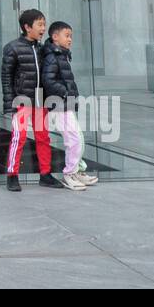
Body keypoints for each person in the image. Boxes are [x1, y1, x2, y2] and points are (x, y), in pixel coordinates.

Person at [2, 9, 61, 192]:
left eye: (44, 24)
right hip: (22, 101)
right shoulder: (12, 48)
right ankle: (12, 175)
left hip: (40, 102)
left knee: (43, 138)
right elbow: (6, 78)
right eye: (40, 25)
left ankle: (45, 174)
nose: (43, 28)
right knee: (18, 138)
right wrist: (9, 103)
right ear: (27, 27)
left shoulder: (43, 49)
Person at [41, 21, 97, 190]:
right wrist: (65, 92)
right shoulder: (52, 56)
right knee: (74, 140)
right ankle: (69, 173)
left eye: (71, 36)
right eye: (67, 36)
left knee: (77, 138)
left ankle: (77, 170)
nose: (70, 39)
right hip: (58, 105)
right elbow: (48, 80)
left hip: (65, 104)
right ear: (55, 37)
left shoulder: (61, 54)